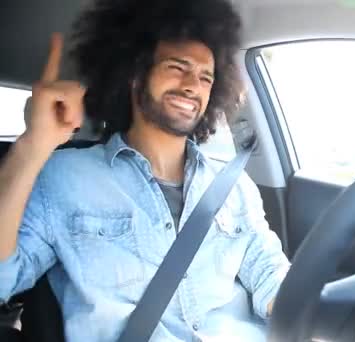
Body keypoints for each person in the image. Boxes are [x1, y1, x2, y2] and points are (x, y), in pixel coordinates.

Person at [0, 0, 290, 340]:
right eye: (177, 67)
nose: (191, 85)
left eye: (205, 77)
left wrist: (313, 320)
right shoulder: (63, 178)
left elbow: (271, 274)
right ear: (136, 75)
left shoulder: (236, 186)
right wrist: (32, 146)